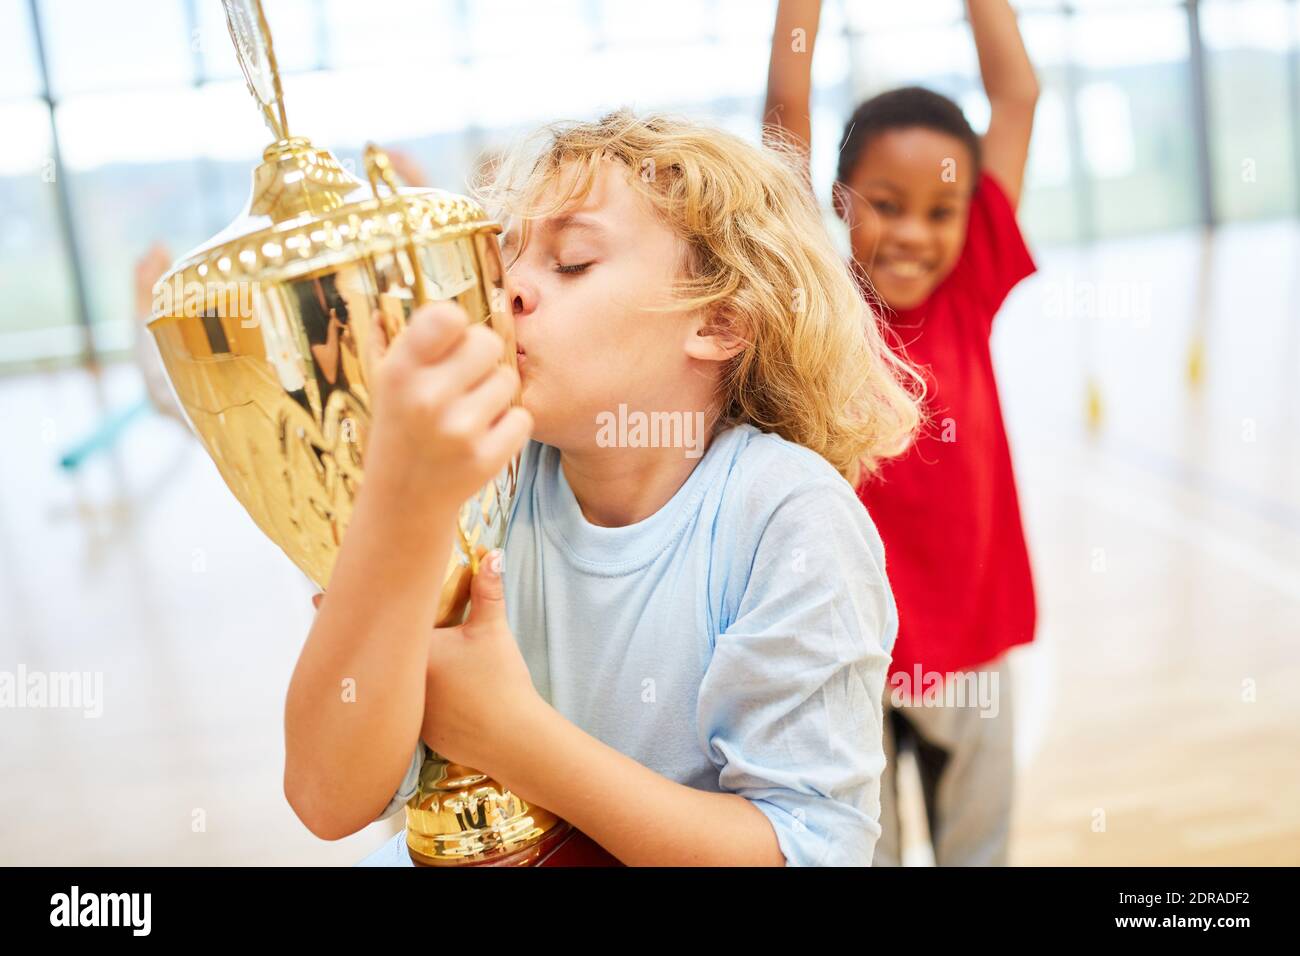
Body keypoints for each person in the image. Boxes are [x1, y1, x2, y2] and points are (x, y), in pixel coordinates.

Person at [285, 110, 923, 866]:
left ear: (720, 322)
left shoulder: (787, 518)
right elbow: (328, 798)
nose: (509, 290)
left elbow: (804, 851)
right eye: (504, 260)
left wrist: (513, 737)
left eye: (573, 262)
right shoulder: (472, 487)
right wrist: (396, 516)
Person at [765, 0, 1040, 865]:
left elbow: (1018, 93)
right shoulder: (822, 301)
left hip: (972, 644)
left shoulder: (972, 288)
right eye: (887, 204)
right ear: (842, 200)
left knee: (977, 850)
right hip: (855, 656)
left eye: (940, 211)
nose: (914, 233)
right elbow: (783, 124)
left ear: (971, 220)